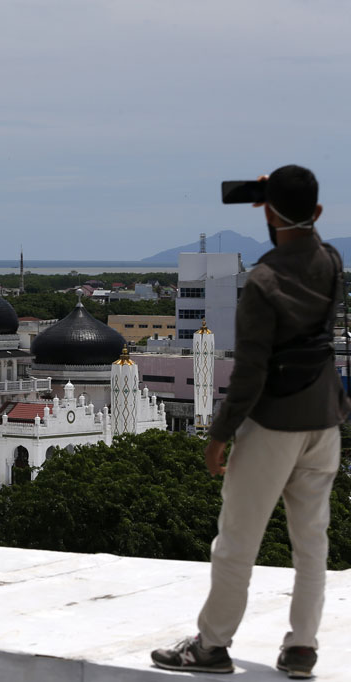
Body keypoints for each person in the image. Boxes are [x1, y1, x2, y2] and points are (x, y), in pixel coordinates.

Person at [151, 165, 350, 679]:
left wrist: (219, 434)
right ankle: (302, 647)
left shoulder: (262, 281)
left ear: (266, 211)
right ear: (319, 214)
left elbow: (251, 372)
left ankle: (212, 646)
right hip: (325, 421)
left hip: (273, 426)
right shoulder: (332, 262)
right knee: (313, 542)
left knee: (237, 542)